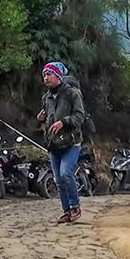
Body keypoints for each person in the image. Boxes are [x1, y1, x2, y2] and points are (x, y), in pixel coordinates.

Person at [38, 61, 87, 223]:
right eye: (44, 74)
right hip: (54, 144)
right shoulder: (47, 97)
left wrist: (63, 122)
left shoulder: (73, 94)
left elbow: (80, 116)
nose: (46, 78)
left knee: (66, 173)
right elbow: (49, 118)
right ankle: (66, 212)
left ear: (58, 76)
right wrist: (42, 119)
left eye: (49, 74)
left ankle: (75, 206)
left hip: (71, 142)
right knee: (58, 179)